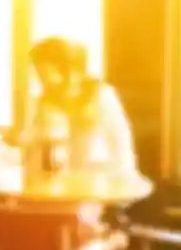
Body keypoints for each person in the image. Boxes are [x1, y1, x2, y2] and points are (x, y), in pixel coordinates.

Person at [22, 38, 138, 178]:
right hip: (61, 178)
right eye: (37, 72)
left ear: (63, 68)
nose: (40, 78)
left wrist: (125, 177)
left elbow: (119, 138)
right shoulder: (44, 102)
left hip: (99, 176)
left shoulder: (99, 95)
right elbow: (34, 143)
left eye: (43, 71)